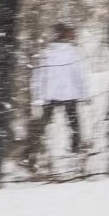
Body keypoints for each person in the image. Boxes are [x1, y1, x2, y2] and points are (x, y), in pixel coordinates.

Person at [31, 22, 89, 154]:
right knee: (73, 123)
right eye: (69, 32)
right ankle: (75, 147)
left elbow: (38, 75)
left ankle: (36, 148)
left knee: (44, 123)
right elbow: (80, 75)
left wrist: (38, 97)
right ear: (64, 34)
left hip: (51, 95)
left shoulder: (46, 52)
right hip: (69, 95)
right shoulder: (73, 52)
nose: (72, 34)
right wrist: (84, 94)